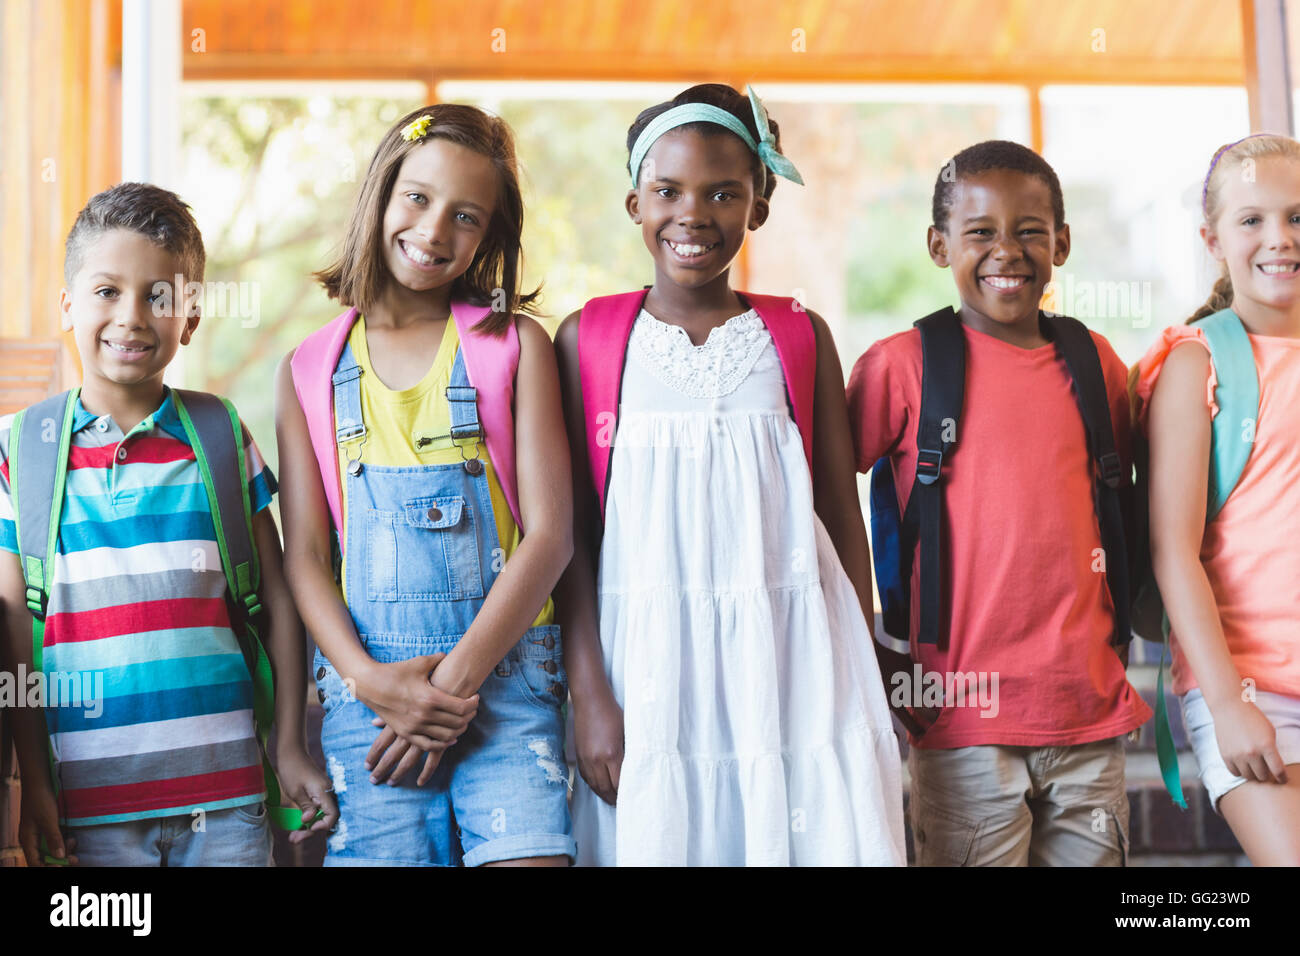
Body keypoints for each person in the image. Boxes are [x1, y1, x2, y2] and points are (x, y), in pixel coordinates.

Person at [555, 83, 906, 866]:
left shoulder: (797, 335)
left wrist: (857, 663)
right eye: (668, 191)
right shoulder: (589, 339)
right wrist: (590, 695)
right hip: (643, 663)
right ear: (633, 203)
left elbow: (839, 515)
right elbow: (570, 532)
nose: (694, 213)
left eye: (724, 192)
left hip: (787, 657)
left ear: (759, 206)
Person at [0, 182, 336, 866]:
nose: (132, 316)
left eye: (159, 296)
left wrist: (290, 745)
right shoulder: (21, 449)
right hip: (86, 809)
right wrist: (33, 781)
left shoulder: (219, 433)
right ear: (68, 305)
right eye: (106, 292)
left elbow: (275, 598)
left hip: (229, 802)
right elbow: (15, 632)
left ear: (189, 317)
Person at [275, 104, 575, 866]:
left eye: (466, 216)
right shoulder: (308, 371)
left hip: (503, 688)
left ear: (489, 238)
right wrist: (373, 682)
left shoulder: (513, 347)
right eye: (418, 198)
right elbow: (306, 558)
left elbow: (551, 538)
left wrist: (445, 692)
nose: (435, 230)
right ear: (381, 193)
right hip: (373, 701)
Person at [848, 141, 1150, 866]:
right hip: (958, 717)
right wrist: (871, 652)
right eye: (980, 232)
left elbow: (1135, 501)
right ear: (938, 245)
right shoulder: (900, 365)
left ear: (1063, 244)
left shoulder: (1096, 362)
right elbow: (824, 509)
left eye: (1030, 230)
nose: (1006, 251)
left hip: (1087, 710)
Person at [1135, 134, 1300, 865]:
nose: (1282, 239)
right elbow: (1175, 553)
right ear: (1213, 239)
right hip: (1255, 690)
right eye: (1253, 220)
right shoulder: (1197, 363)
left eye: (1298, 217)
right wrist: (1230, 703)